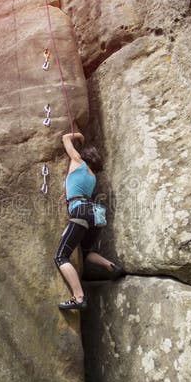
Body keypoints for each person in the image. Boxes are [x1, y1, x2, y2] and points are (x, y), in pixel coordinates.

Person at [54, 131, 121, 310]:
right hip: (95, 214)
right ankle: (111, 266)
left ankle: (78, 297)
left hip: (80, 210)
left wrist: (79, 135)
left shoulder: (77, 161)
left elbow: (65, 138)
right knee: (86, 251)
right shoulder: (92, 176)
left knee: (61, 257)